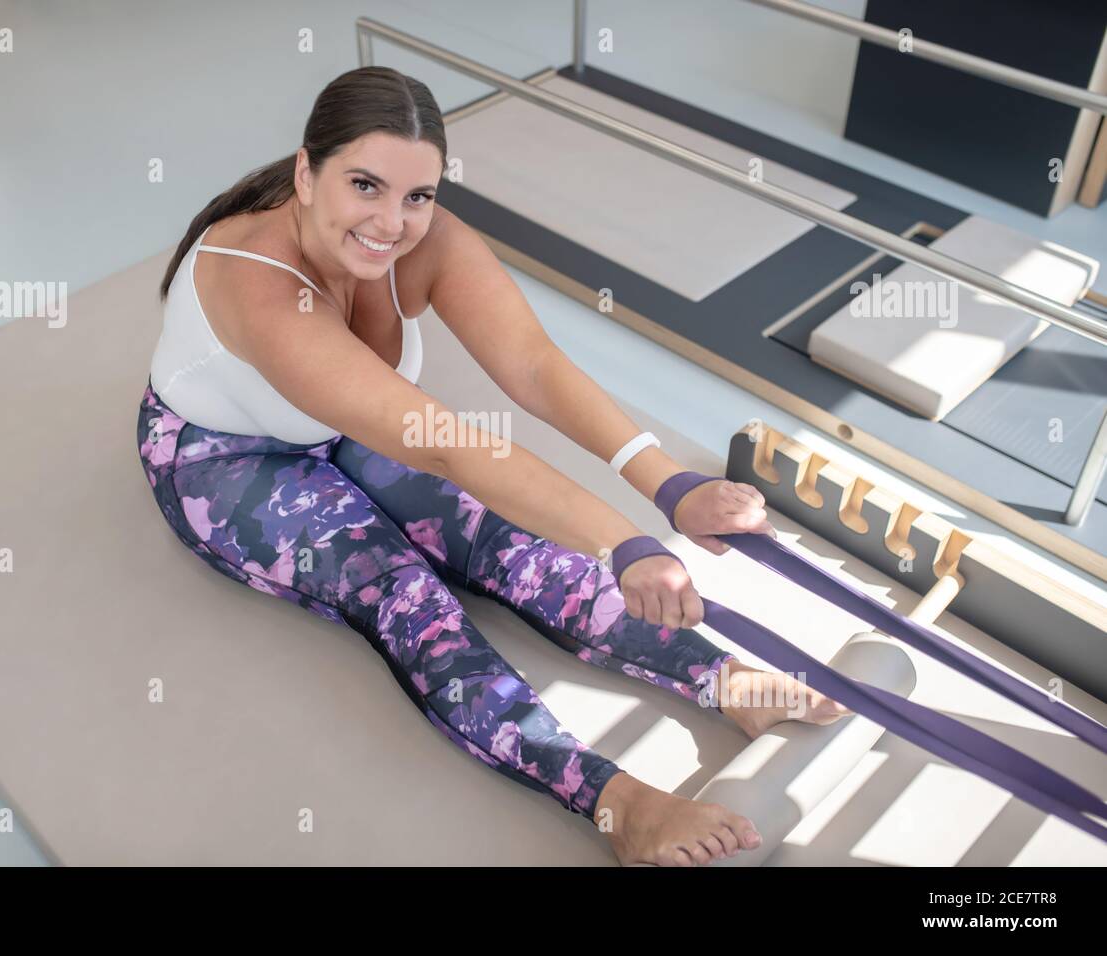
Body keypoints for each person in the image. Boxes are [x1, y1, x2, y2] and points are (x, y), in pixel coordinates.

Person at [139, 65, 851, 866]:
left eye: (418, 195)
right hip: (231, 457)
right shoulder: (254, 282)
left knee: (509, 545)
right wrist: (625, 543)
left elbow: (534, 366)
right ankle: (617, 804)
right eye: (364, 185)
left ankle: (724, 680)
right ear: (307, 173)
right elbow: (445, 442)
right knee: (405, 594)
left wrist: (667, 485)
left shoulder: (424, 239)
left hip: (354, 426)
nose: (392, 222)